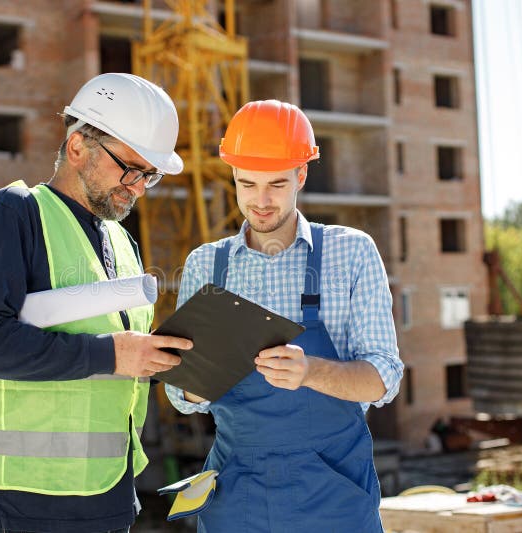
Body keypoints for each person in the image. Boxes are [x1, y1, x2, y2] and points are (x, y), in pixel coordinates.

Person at [0, 72, 193, 533]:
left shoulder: (121, 241)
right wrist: (111, 354)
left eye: (150, 175)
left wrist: (167, 362)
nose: (139, 187)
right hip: (32, 499)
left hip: (111, 490)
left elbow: (124, 363)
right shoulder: (17, 212)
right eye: (131, 168)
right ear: (78, 146)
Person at [165, 100, 404, 532]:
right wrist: (200, 376)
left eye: (276, 184)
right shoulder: (206, 265)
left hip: (333, 494)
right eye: (246, 184)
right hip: (236, 494)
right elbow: (182, 397)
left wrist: (310, 371)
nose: (260, 201)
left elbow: (384, 378)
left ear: (301, 175)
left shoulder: (351, 252)